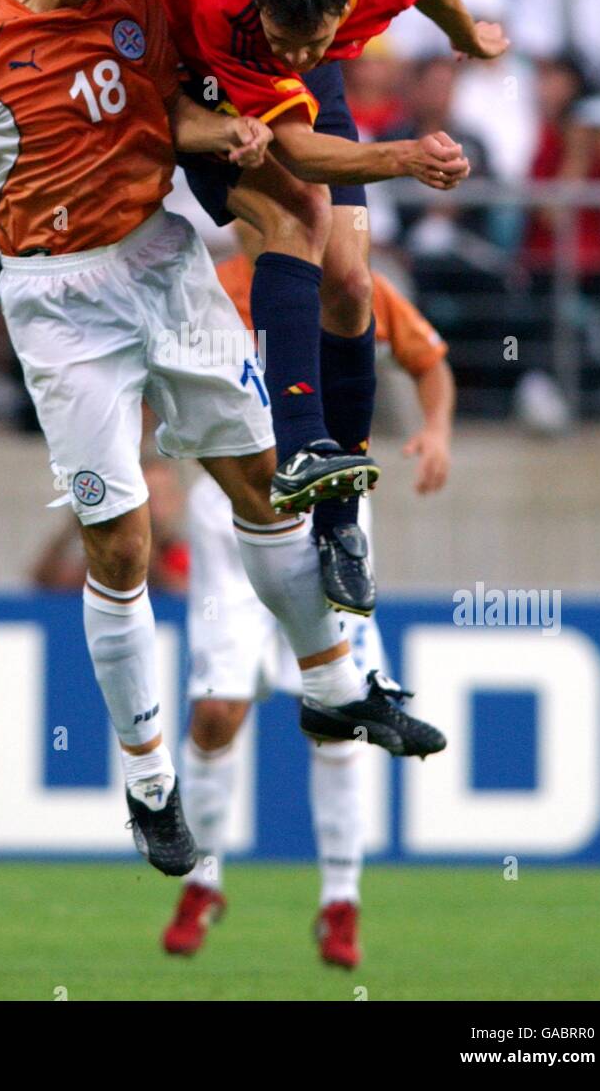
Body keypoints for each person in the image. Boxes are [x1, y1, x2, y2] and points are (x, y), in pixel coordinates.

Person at [0, 0, 447, 881]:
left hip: (162, 259)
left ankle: (336, 685)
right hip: (59, 302)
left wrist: (226, 127)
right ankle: (146, 782)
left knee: (264, 487)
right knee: (122, 546)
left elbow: (168, 109)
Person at [155, 0, 506, 616]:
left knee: (350, 284)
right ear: (264, 2)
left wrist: (467, 33)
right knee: (302, 213)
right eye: (288, 38)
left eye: (313, 40)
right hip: (207, 82)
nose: (298, 54)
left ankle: (340, 527)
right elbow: (301, 152)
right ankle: (301, 443)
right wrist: (404, 155)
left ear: (345, 1)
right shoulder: (223, 6)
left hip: (303, 97)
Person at [163, 234, 455, 966]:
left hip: (331, 513)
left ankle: (340, 901)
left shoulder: (350, 282)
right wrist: (145, 464)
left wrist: (438, 431)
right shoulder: (213, 287)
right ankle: (202, 879)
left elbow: (428, 359)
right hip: (233, 514)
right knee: (216, 710)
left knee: (336, 721)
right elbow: (156, 374)